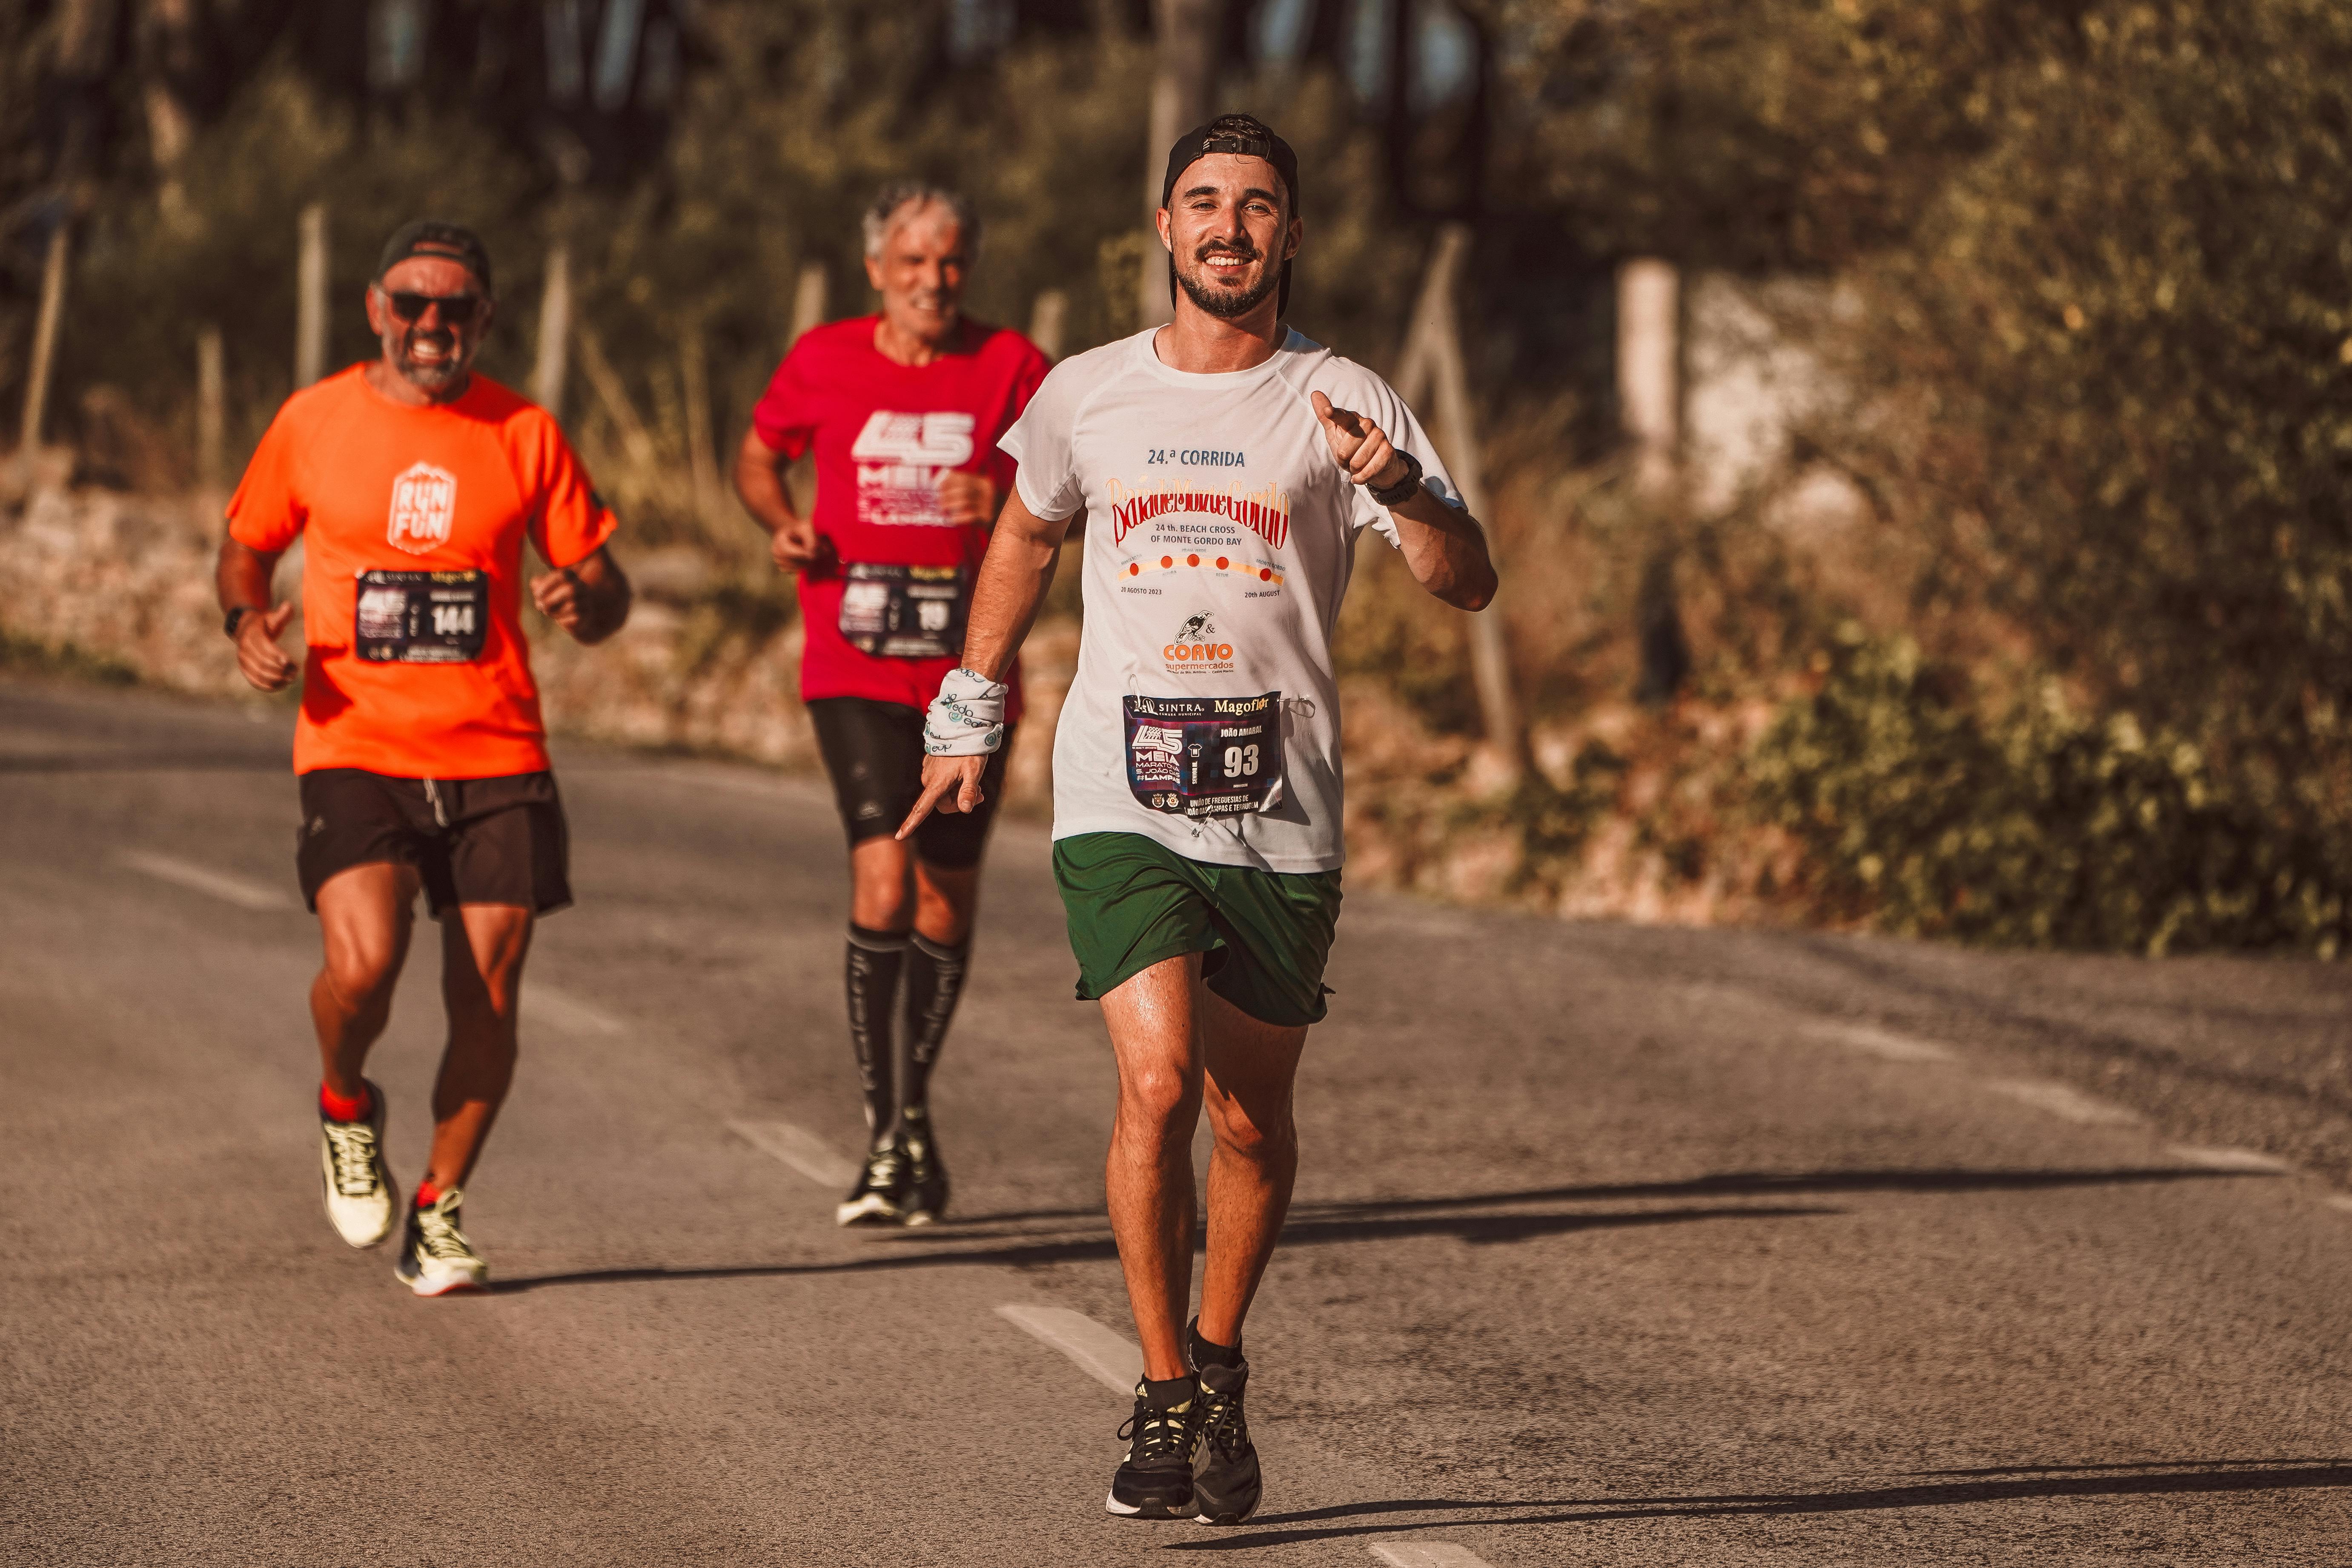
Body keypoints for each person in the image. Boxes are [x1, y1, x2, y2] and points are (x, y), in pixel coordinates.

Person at [900, 116, 1498, 1524]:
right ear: (1163, 232)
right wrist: (968, 702)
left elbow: (1465, 582)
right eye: (1203, 203)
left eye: (1257, 206)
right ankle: (1162, 1384)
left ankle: (1219, 1360)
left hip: (1281, 806)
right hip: (1121, 791)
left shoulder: (1339, 394)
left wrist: (1398, 486)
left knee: (1247, 1116)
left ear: (1289, 236)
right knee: (1158, 1081)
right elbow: (1025, 529)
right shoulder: (1083, 393)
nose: (1228, 227)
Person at [216, 220, 632, 1296]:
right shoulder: (313, 421)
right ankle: (346, 1104)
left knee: (486, 996)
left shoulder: (524, 432)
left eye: (456, 309)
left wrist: (585, 597)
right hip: (356, 740)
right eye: (413, 304)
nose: (433, 325)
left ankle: (440, 1208)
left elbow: (606, 586)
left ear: (485, 320)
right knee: (363, 965)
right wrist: (245, 621)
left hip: (498, 749)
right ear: (376, 310)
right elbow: (247, 546)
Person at [733, 182, 1050, 1227]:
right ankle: (889, 1126)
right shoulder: (823, 358)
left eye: (950, 262)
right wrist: (781, 520)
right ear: (876, 269)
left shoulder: (1011, 367)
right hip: (853, 662)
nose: (932, 281)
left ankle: (909, 1123)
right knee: (881, 873)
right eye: (911, 262)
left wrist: (999, 501)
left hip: (969, 679)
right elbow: (758, 455)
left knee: (944, 904)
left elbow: (1075, 496)